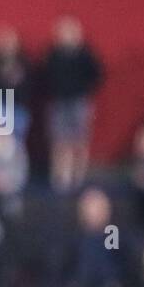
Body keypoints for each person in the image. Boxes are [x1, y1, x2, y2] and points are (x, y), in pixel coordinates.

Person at [44, 16, 101, 192]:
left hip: (79, 101)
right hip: (59, 102)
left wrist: (83, 89)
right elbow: (45, 76)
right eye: (63, 32)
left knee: (79, 140)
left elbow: (97, 74)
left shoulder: (86, 54)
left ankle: (79, 176)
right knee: (59, 140)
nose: (66, 36)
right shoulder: (53, 54)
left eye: (70, 32)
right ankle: (60, 176)